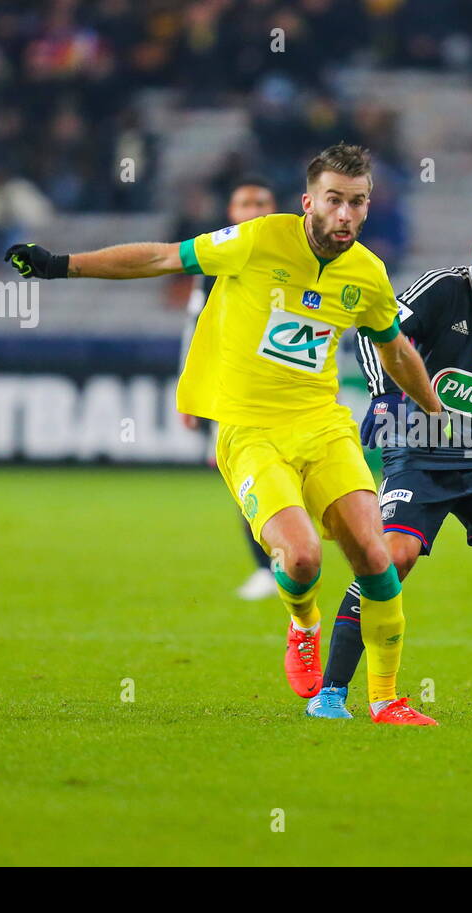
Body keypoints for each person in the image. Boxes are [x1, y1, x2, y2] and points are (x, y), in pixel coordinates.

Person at [5, 144, 444, 725]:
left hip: (323, 425)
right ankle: (304, 624)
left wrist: (434, 408)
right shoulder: (259, 239)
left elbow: (395, 350)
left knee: (375, 554)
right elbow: (162, 258)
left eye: (357, 203)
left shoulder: (367, 272)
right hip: (251, 430)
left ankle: (387, 699)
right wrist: (62, 264)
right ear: (309, 201)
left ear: (367, 208)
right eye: (334, 200)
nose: (345, 214)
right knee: (304, 558)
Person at [309, 208, 472, 719]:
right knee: (391, 558)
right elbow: (371, 333)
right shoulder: (439, 291)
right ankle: (332, 690)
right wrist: (384, 398)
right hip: (416, 452)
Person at [180, 175, 279, 601]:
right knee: (247, 481)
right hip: (232, 392)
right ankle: (268, 565)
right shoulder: (214, 264)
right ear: (231, 214)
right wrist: (188, 389)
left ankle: (288, 557)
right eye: (245, 203)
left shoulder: (297, 256)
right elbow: (195, 328)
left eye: (262, 202)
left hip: (289, 390)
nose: (254, 210)